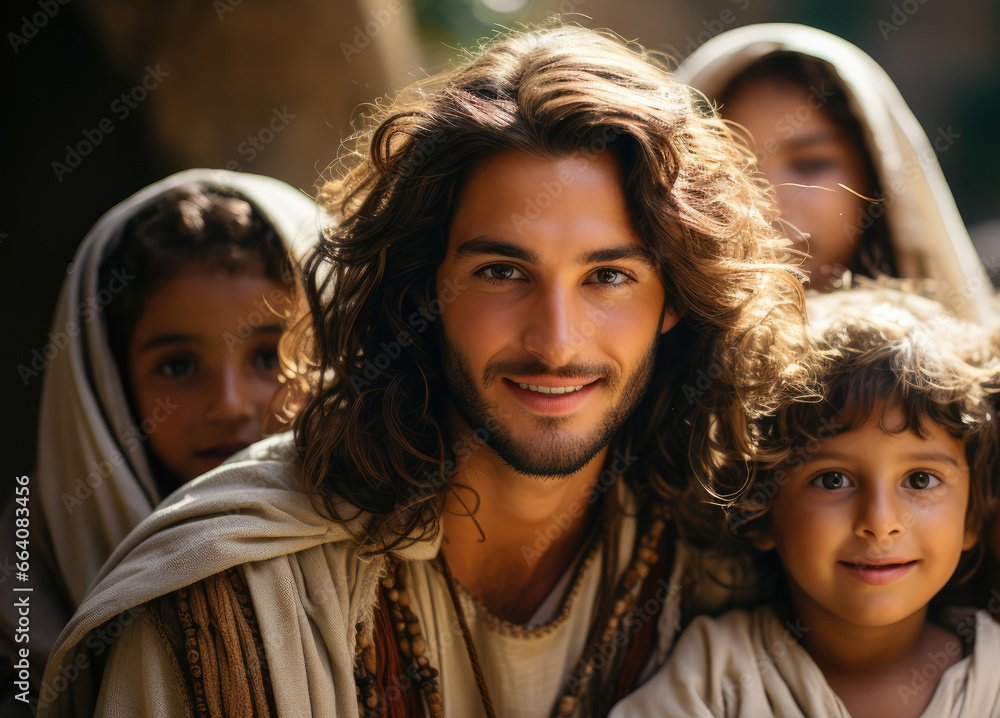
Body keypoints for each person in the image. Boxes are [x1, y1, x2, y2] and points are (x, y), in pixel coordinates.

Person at [38, 25, 808, 718]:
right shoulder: (233, 603)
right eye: (503, 272)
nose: (555, 339)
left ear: (675, 298)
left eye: (607, 277)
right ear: (423, 288)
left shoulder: (725, 570)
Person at [0, 169, 317, 713]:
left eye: (269, 357)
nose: (230, 403)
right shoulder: (22, 588)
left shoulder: (393, 563)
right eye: (178, 365)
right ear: (109, 387)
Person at [610, 293, 1000, 718]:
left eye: (920, 480)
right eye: (833, 480)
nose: (880, 522)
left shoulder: (992, 677)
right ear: (760, 506)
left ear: (973, 517)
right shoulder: (718, 677)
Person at [674, 23, 995, 323]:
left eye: (810, 164)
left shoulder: (958, 374)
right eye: (729, 168)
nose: (767, 205)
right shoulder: (655, 375)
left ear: (876, 175)